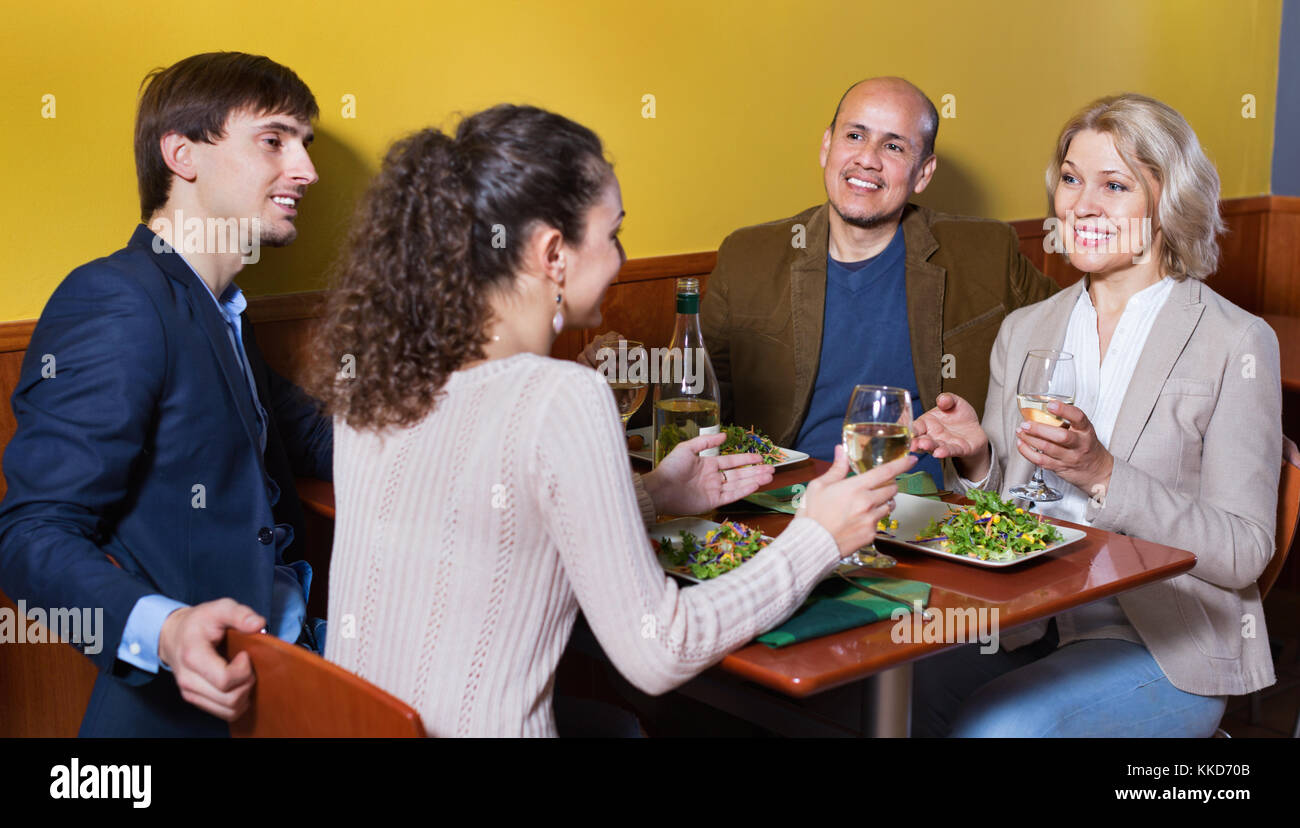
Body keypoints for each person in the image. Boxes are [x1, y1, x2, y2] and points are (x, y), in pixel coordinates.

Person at [313, 104, 916, 737]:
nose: (622, 259)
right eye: (613, 234)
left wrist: (654, 494)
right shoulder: (559, 396)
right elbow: (660, 649)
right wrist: (817, 536)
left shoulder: (378, 378)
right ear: (553, 252)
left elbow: (483, 526)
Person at [909, 93, 1281, 737]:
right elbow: (1007, 511)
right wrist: (977, 457)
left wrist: (1105, 473)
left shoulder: (1236, 342)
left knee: (996, 730)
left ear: (1168, 202)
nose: (1082, 205)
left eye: (1115, 184)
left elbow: (1244, 551)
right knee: (886, 691)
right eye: (1072, 180)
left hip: (1165, 644)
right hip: (1026, 622)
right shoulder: (1025, 331)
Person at [0, 53, 332, 736]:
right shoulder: (117, 300)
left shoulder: (218, 309)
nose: (306, 170)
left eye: (305, 144)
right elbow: (29, 538)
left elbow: (313, 436)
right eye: (274, 140)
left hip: (289, 680)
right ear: (181, 154)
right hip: (182, 715)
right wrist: (169, 631)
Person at [701, 76, 1058, 486]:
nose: (867, 159)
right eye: (855, 135)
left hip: (929, 511)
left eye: (893, 146)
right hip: (786, 503)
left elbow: (1076, 338)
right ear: (826, 147)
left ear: (923, 173)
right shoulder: (748, 255)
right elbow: (702, 398)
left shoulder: (986, 251)